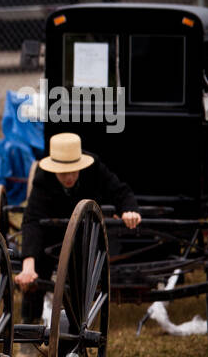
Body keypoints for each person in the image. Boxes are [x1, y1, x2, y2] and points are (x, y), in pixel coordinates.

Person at [18, 132, 141, 325]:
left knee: (83, 266)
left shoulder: (94, 168)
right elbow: (32, 220)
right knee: (39, 263)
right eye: (63, 173)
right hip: (54, 234)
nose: (69, 177)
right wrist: (28, 264)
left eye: (74, 171)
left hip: (86, 233)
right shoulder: (43, 179)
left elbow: (120, 191)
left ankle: (76, 321)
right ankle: (29, 323)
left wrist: (129, 210)